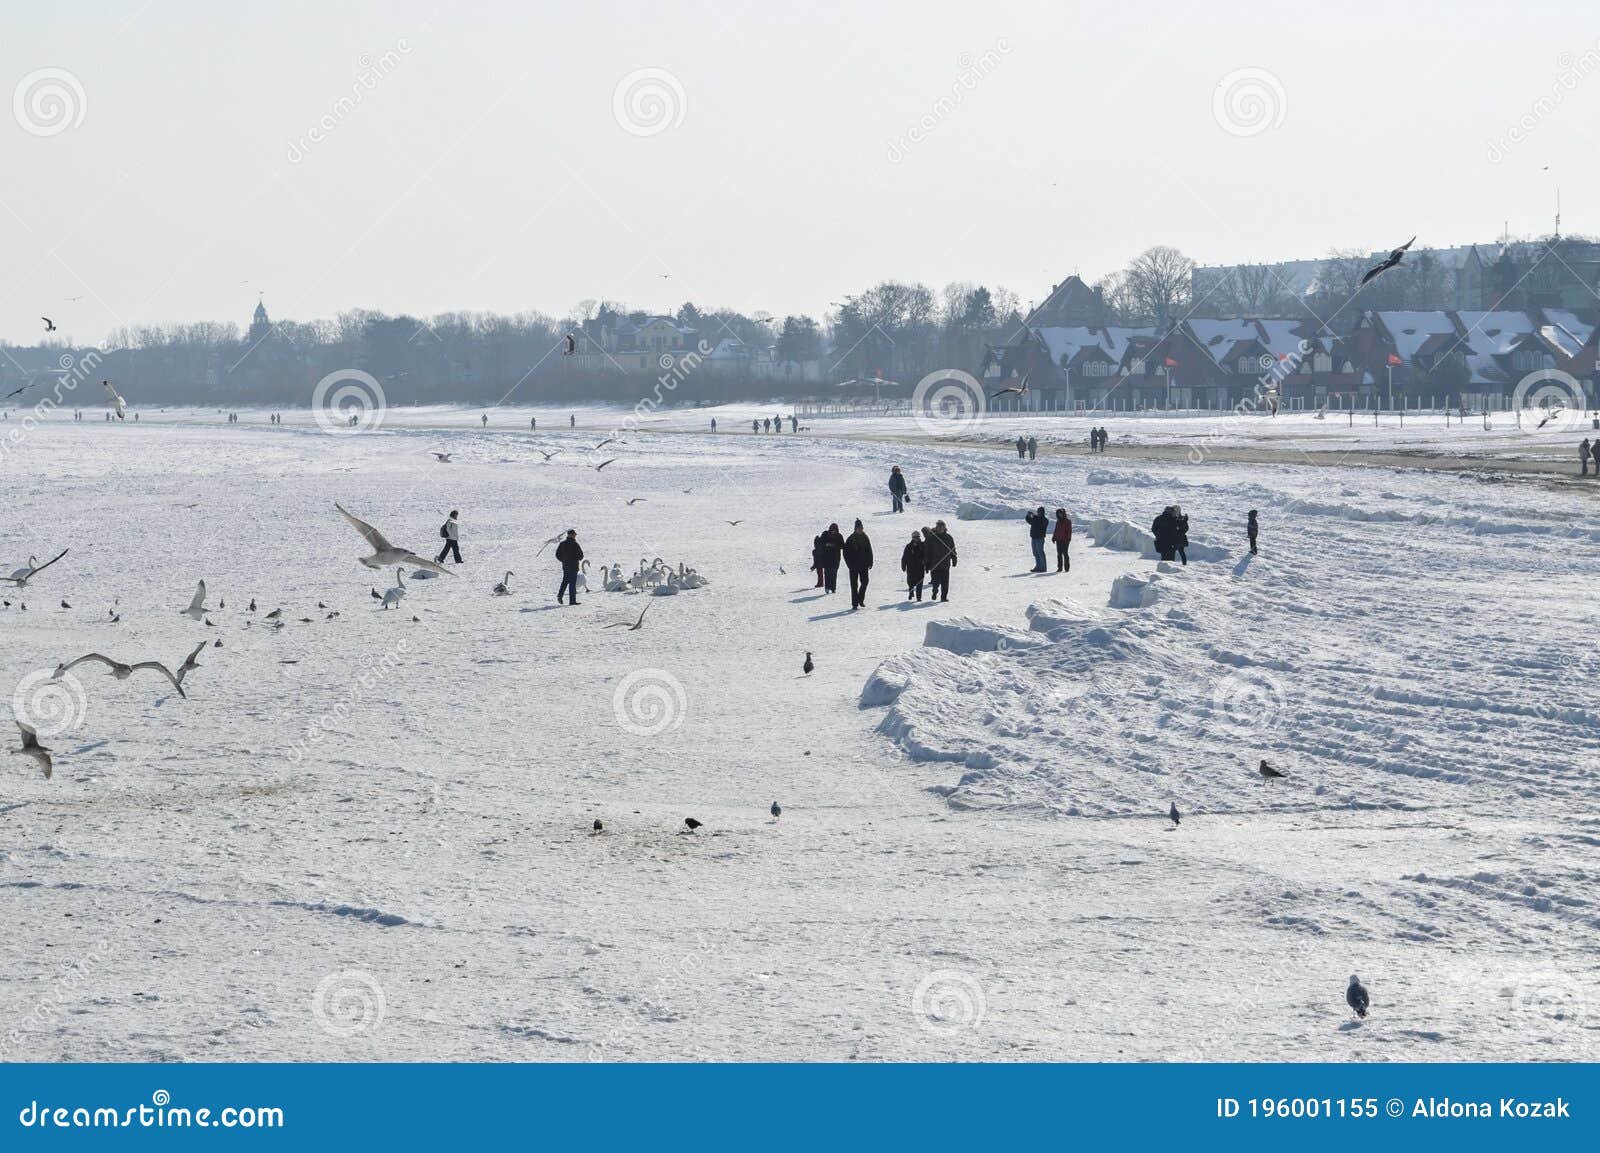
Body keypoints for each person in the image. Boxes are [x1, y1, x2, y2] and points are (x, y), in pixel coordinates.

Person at [843, 519, 873, 610]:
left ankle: (860, 599)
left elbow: (869, 550)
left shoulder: (865, 537)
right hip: (853, 566)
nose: (860, 530)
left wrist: (870, 562)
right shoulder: (850, 538)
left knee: (865, 582)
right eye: (858, 528)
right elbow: (845, 553)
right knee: (854, 585)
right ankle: (854, 604)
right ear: (855, 529)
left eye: (861, 528)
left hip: (864, 565)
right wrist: (849, 564)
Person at [925, 520, 957, 602]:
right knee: (935, 581)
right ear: (936, 528)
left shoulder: (949, 538)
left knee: (945, 582)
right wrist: (927, 564)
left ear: (944, 528)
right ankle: (935, 591)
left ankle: (944, 597)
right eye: (938, 527)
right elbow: (927, 551)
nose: (940, 529)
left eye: (941, 527)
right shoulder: (932, 538)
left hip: (945, 564)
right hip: (934, 564)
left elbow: (952, 549)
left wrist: (954, 558)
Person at [555, 529, 584, 605]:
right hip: (573, 567)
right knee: (572, 584)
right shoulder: (575, 544)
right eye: (574, 534)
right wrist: (577, 559)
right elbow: (581, 556)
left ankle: (560, 595)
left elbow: (557, 554)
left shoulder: (562, 544)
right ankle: (572, 601)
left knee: (565, 582)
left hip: (565, 566)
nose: (575, 535)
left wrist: (563, 560)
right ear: (571, 535)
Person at [818, 522, 845, 594]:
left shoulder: (839, 536)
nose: (833, 531)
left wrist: (834, 545)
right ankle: (827, 587)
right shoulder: (825, 534)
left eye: (835, 530)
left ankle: (833, 588)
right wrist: (826, 544)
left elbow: (842, 546)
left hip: (836, 558)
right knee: (827, 573)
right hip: (826, 558)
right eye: (832, 530)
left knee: (834, 573)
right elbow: (820, 543)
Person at [902, 530, 926, 601]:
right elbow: (904, 557)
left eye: (917, 537)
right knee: (910, 582)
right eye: (915, 537)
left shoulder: (922, 545)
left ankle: (919, 597)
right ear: (912, 538)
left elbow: (926, 555)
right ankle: (911, 592)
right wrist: (903, 565)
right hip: (910, 567)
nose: (916, 538)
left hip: (920, 567)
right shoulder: (908, 546)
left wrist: (926, 565)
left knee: (920, 583)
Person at [1025, 507, 1049, 572]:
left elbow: (1041, 524)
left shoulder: (1045, 520)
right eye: (1038, 511)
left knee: (1040, 552)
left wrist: (1034, 516)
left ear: (1042, 512)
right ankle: (1038, 566)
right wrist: (1028, 516)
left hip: (1040, 538)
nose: (1038, 513)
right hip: (1033, 538)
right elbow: (1029, 521)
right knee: (1035, 553)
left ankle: (1043, 567)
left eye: (1040, 512)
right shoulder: (1035, 518)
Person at [1052, 508, 1073, 572]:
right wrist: (1054, 537)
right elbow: (1056, 530)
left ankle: (1067, 568)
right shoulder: (1058, 522)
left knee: (1065, 553)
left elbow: (1069, 531)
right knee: (1059, 554)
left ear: (1063, 514)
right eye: (1058, 514)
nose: (1059, 515)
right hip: (1058, 540)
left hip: (1065, 540)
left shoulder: (1068, 521)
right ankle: (1060, 568)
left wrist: (1068, 538)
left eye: (1061, 513)